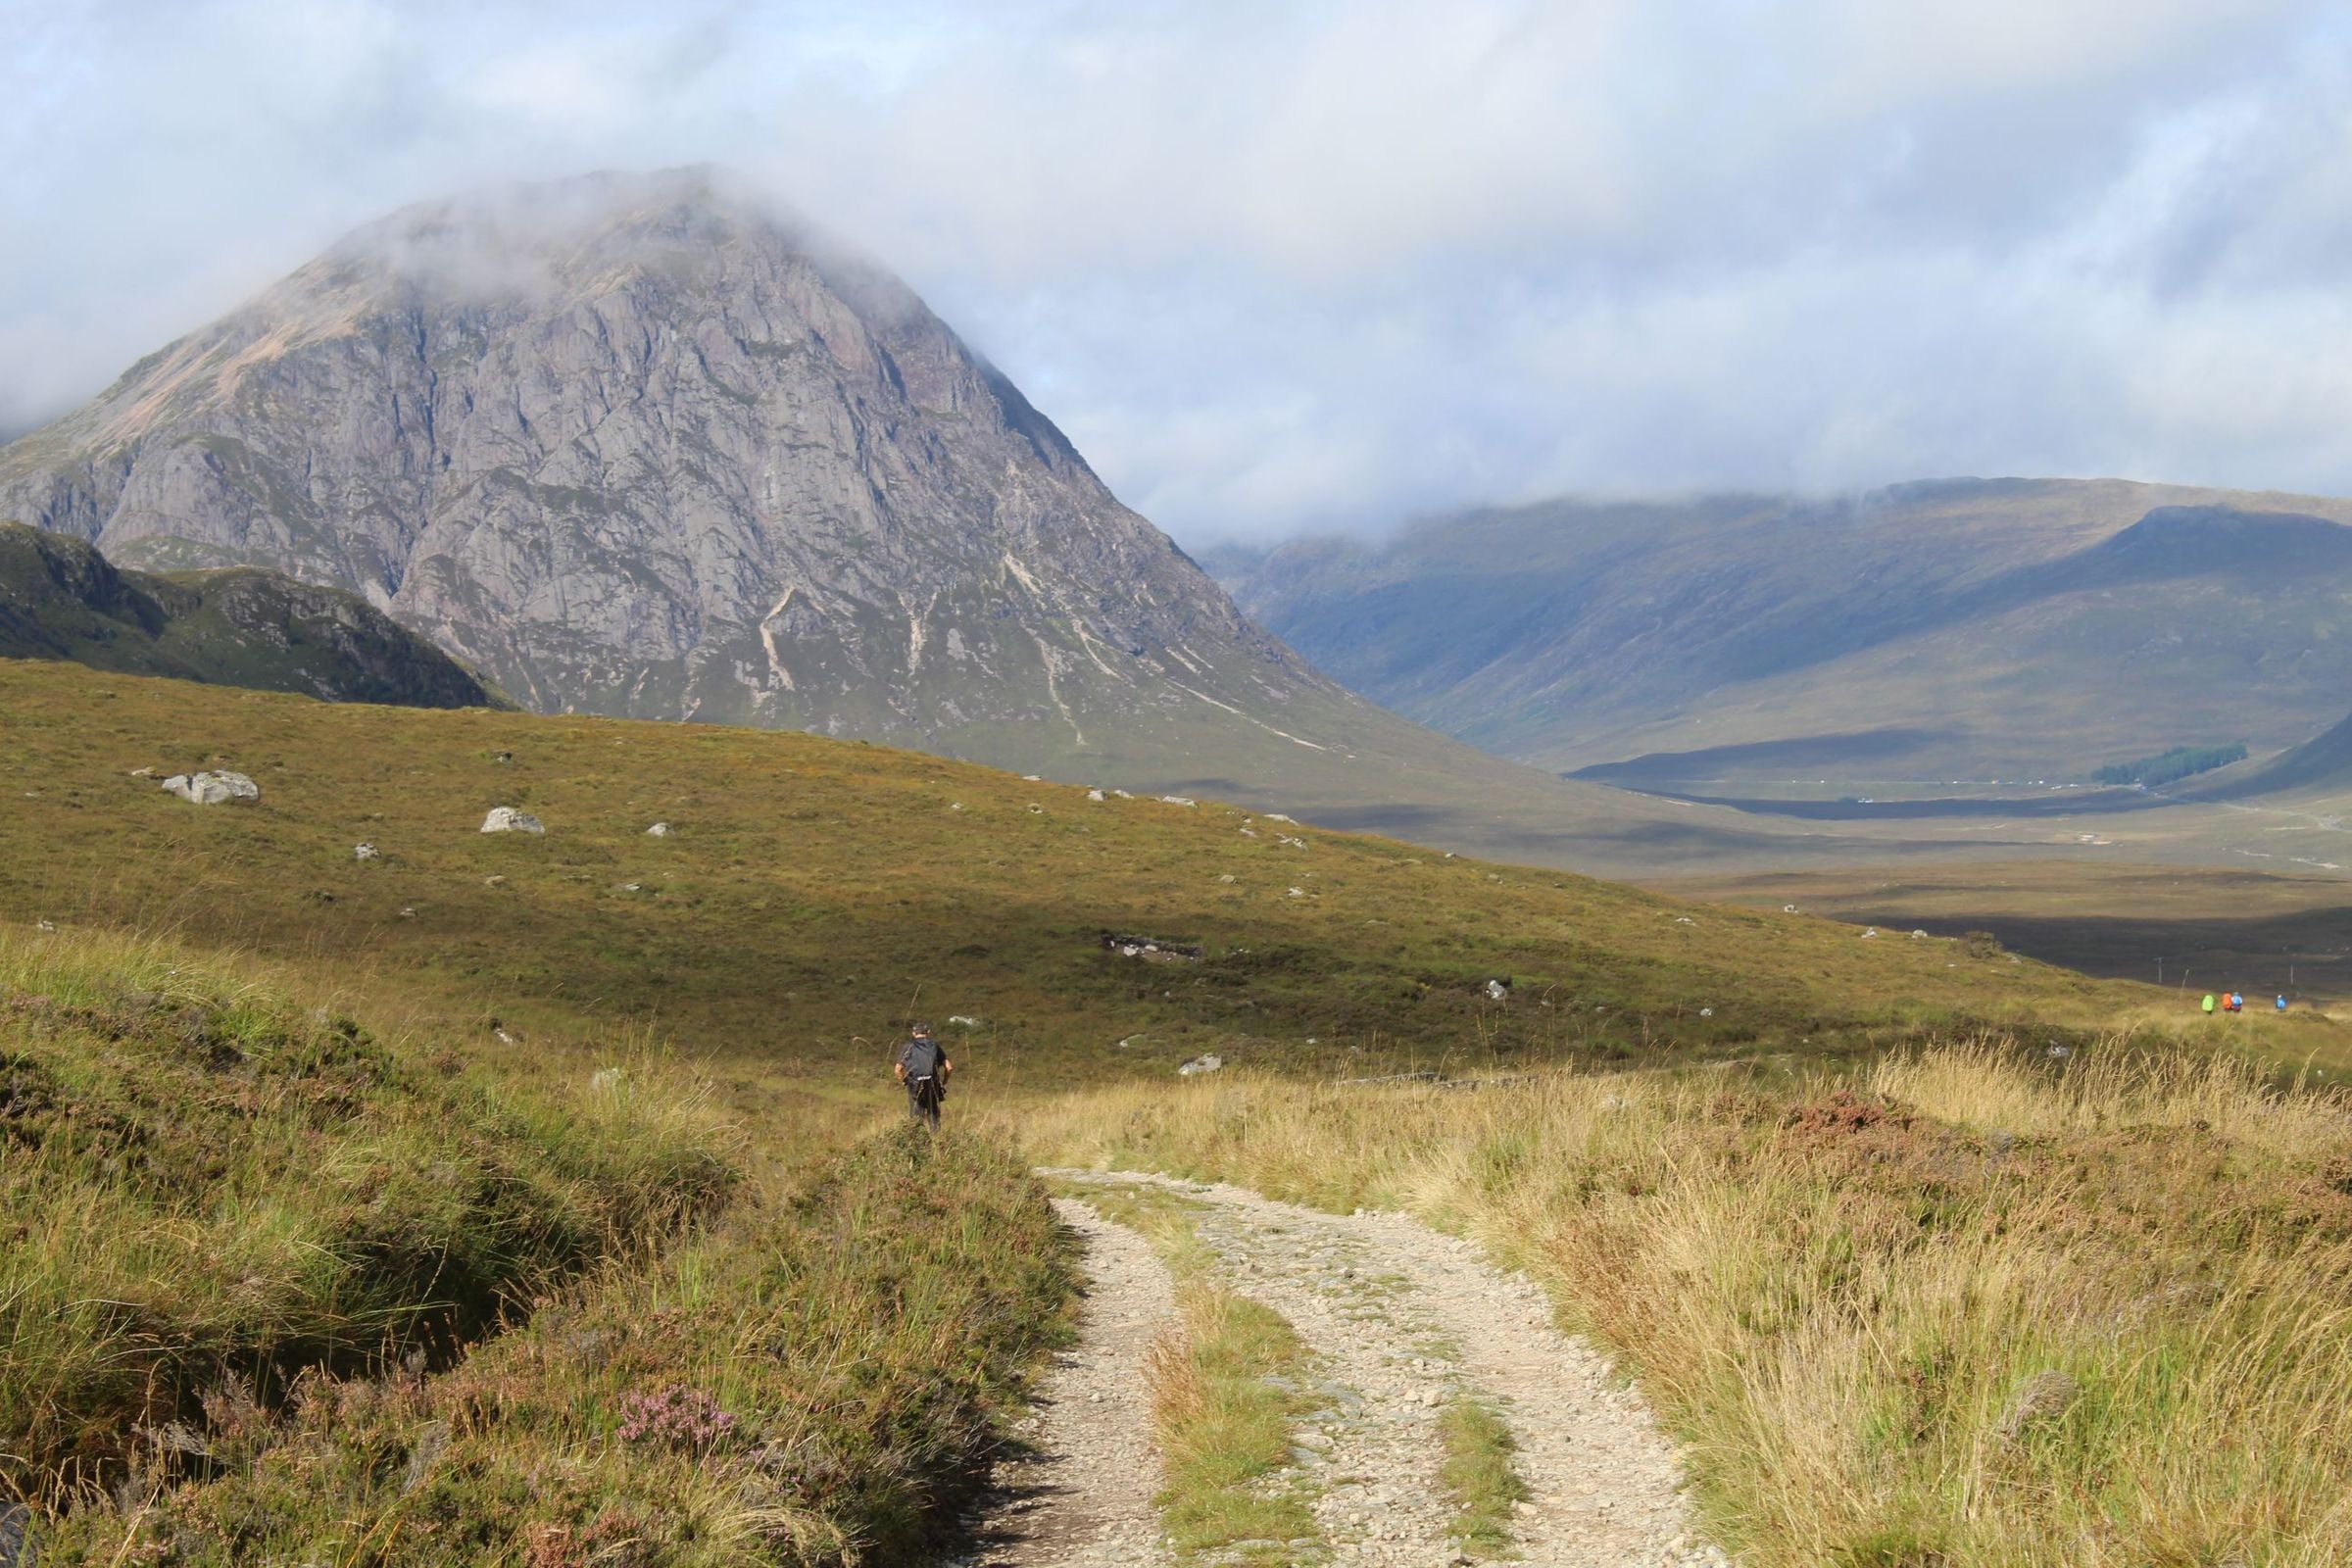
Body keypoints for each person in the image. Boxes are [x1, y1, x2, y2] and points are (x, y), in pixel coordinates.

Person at [895, 1021, 953, 1130]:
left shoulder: (908, 1046)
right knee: (934, 1119)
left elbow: (898, 1069)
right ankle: (936, 1142)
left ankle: (917, 1142)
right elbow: (949, 1067)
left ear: (913, 1033)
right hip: (933, 1085)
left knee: (915, 1121)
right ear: (928, 1032)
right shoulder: (935, 1045)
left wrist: (905, 1081)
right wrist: (944, 1082)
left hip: (915, 1086)